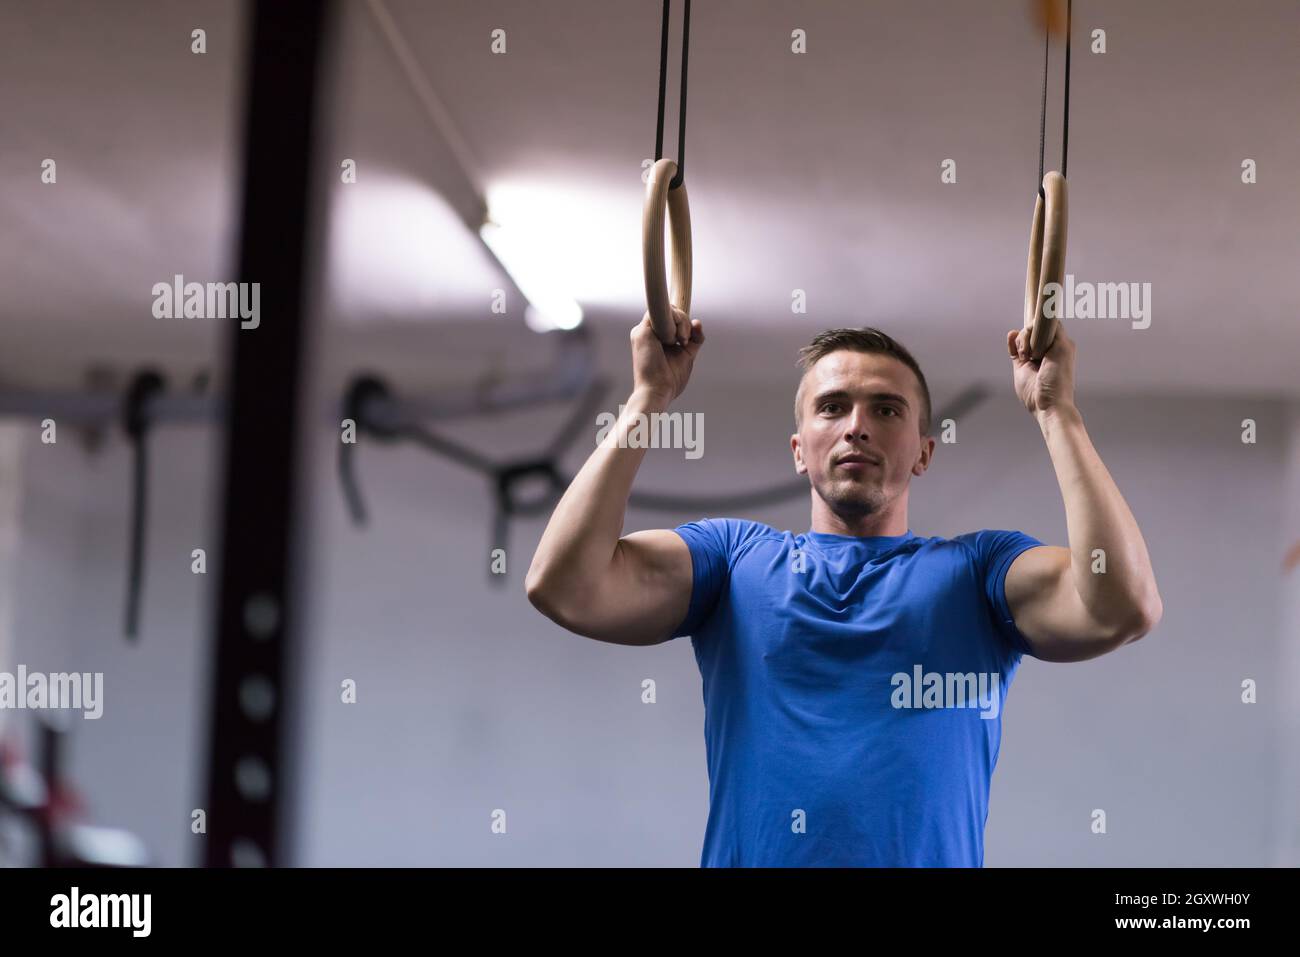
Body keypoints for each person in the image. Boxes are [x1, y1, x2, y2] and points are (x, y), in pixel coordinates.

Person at [525, 314, 1162, 867]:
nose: (857, 426)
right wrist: (648, 398)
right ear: (800, 451)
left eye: (886, 409)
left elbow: (1124, 606)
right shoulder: (731, 559)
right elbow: (564, 584)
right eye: (833, 407)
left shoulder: (979, 572)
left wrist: (1058, 413)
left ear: (923, 452)